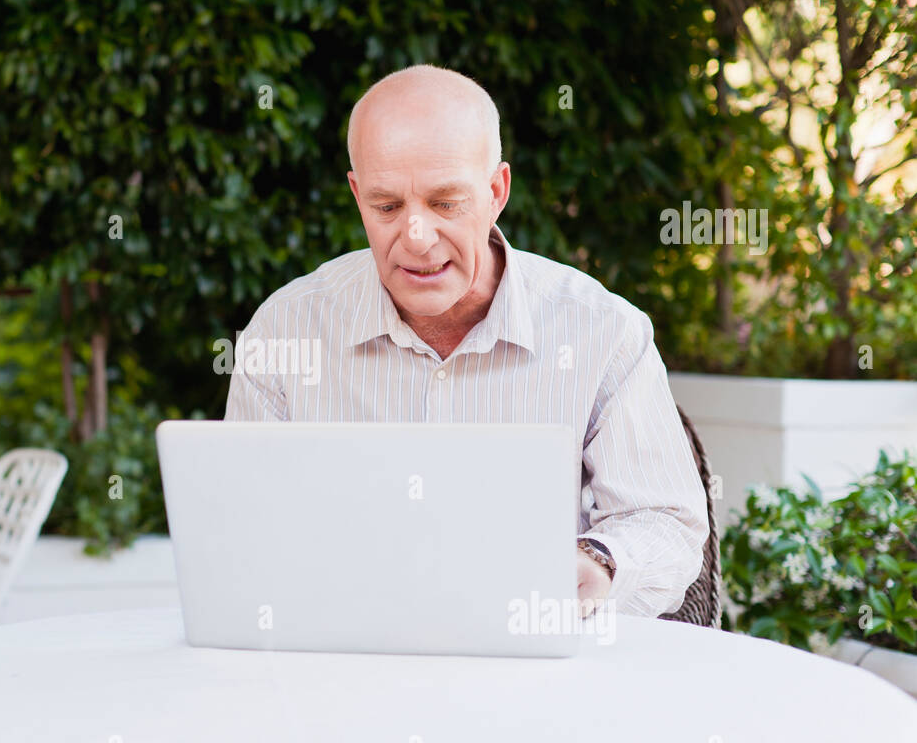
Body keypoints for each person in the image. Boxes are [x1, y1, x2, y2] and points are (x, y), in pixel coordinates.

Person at [225, 64, 707, 618]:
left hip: (533, 665)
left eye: (446, 203)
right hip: (341, 662)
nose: (417, 238)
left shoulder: (603, 330)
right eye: (386, 206)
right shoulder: (286, 329)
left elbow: (666, 522)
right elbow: (244, 523)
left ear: (496, 191)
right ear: (357, 195)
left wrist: (597, 563)